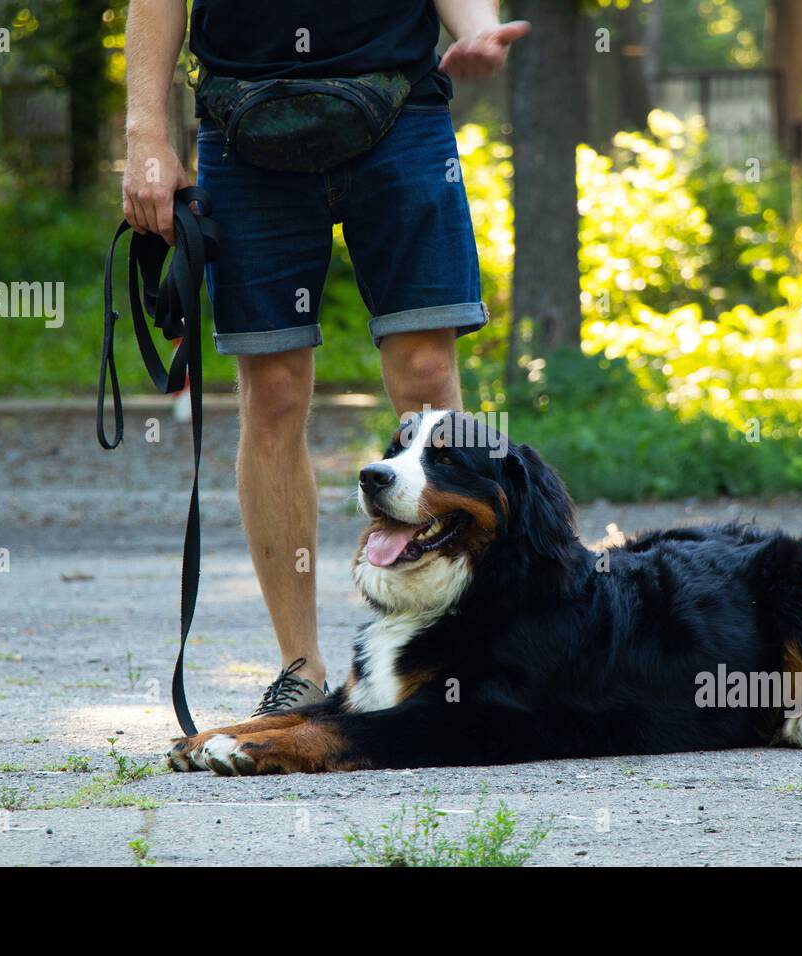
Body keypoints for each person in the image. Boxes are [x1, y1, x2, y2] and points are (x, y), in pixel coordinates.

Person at [122, 1, 529, 715]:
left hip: (402, 109)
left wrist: (474, 29)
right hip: (244, 120)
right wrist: (146, 135)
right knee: (272, 391)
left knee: (428, 379)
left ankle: (451, 664)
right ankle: (300, 669)